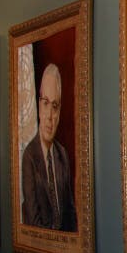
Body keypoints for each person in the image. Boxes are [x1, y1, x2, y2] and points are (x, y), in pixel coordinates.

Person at [21, 63, 77, 231]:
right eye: (45, 103)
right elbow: (33, 220)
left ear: (59, 112)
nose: (49, 117)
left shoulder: (62, 155)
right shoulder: (29, 156)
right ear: (38, 106)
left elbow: (70, 212)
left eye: (54, 106)